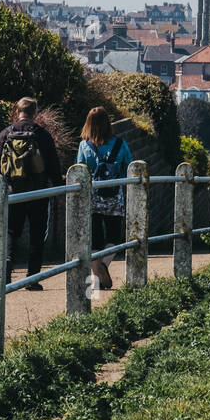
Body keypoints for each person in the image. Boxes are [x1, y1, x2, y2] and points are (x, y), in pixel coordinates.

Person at [0, 97, 63, 289]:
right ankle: (32, 278)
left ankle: (7, 263)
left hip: (13, 192)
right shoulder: (42, 135)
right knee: (37, 233)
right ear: (36, 113)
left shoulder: (5, 134)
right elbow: (53, 168)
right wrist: (61, 191)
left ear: (17, 111)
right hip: (38, 193)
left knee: (11, 230)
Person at [77, 106, 132, 291]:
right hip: (114, 198)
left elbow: (79, 170)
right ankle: (103, 266)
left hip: (92, 198)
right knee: (115, 236)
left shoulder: (84, 145)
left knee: (95, 238)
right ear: (108, 123)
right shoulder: (120, 144)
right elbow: (129, 168)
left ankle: (96, 272)